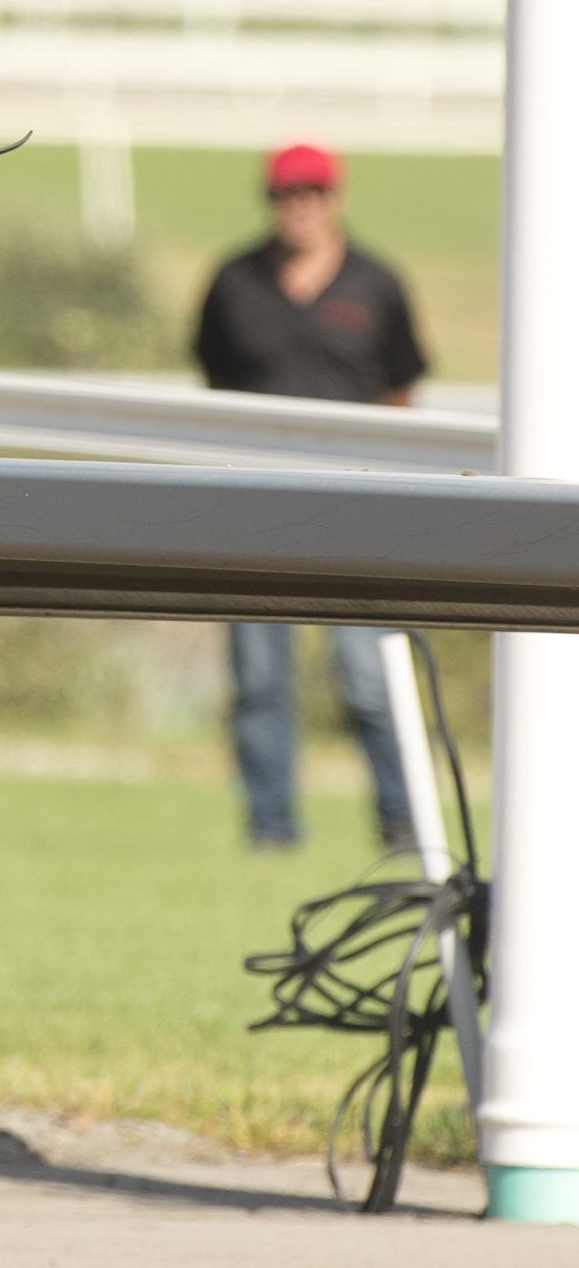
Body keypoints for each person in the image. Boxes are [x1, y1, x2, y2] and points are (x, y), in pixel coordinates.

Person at [194, 141, 429, 849]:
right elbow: (213, 389)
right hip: (254, 509)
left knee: (372, 677)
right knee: (261, 679)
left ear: (334, 198)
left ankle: (403, 822)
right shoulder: (233, 282)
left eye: (311, 193)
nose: (299, 207)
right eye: (286, 194)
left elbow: (401, 393)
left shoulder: (377, 284)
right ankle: (271, 827)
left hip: (357, 509)